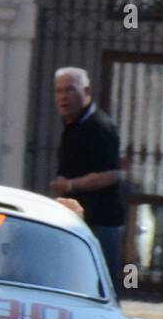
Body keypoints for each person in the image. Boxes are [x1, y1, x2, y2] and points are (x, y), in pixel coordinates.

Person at [48, 67, 125, 294]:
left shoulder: (99, 126)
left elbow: (111, 175)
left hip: (101, 220)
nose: (63, 96)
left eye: (69, 90)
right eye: (59, 91)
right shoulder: (73, 125)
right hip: (78, 219)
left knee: (103, 286)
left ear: (86, 91)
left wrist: (70, 185)